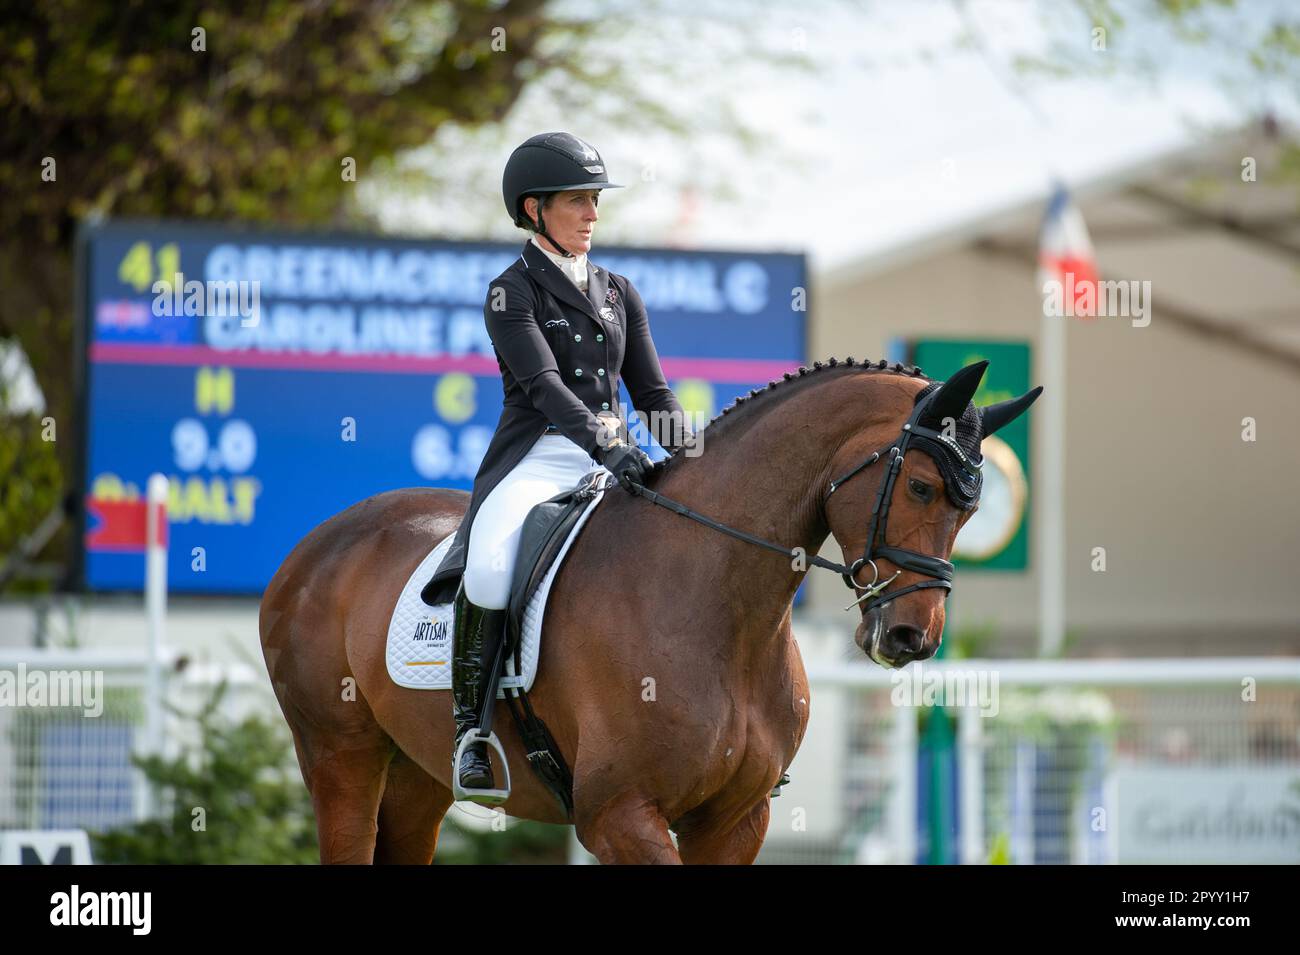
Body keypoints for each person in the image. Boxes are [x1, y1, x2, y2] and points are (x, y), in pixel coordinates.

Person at [421, 132, 694, 796]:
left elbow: (652, 394)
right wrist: (610, 445)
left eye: (595, 201)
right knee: (488, 567)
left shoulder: (618, 291)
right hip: (540, 457)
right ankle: (472, 734)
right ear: (535, 208)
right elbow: (546, 387)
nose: (593, 214)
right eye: (579, 201)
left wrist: (698, 457)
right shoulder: (509, 293)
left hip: (614, 458)